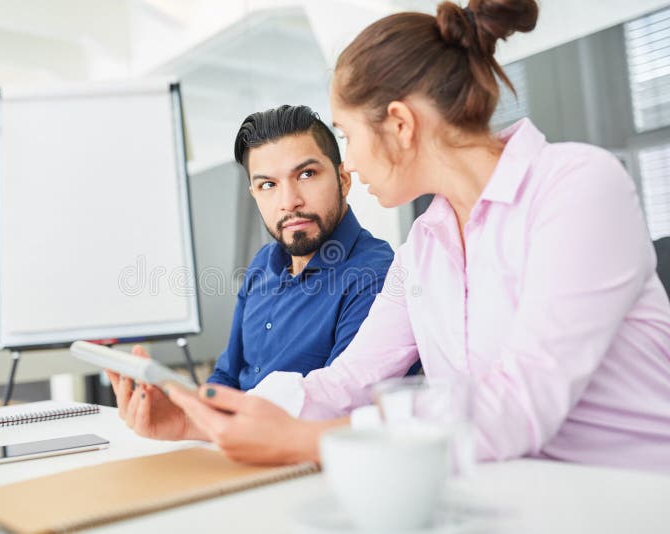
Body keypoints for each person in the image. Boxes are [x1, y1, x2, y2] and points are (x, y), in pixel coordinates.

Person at [109, 0, 670, 471]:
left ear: (400, 125)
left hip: (629, 498)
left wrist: (306, 442)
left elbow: (517, 408)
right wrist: (196, 421)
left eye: (348, 136)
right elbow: (346, 381)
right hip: (506, 499)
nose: (348, 161)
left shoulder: (575, 188)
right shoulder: (425, 247)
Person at [104, 105, 394, 442]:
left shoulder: (374, 275)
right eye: (268, 184)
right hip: (234, 449)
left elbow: (341, 410)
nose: (289, 201)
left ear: (343, 179)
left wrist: (200, 424)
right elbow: (227, 375)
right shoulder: (262, 266)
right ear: (254, 194)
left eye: (306, 175)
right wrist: (185, 415)